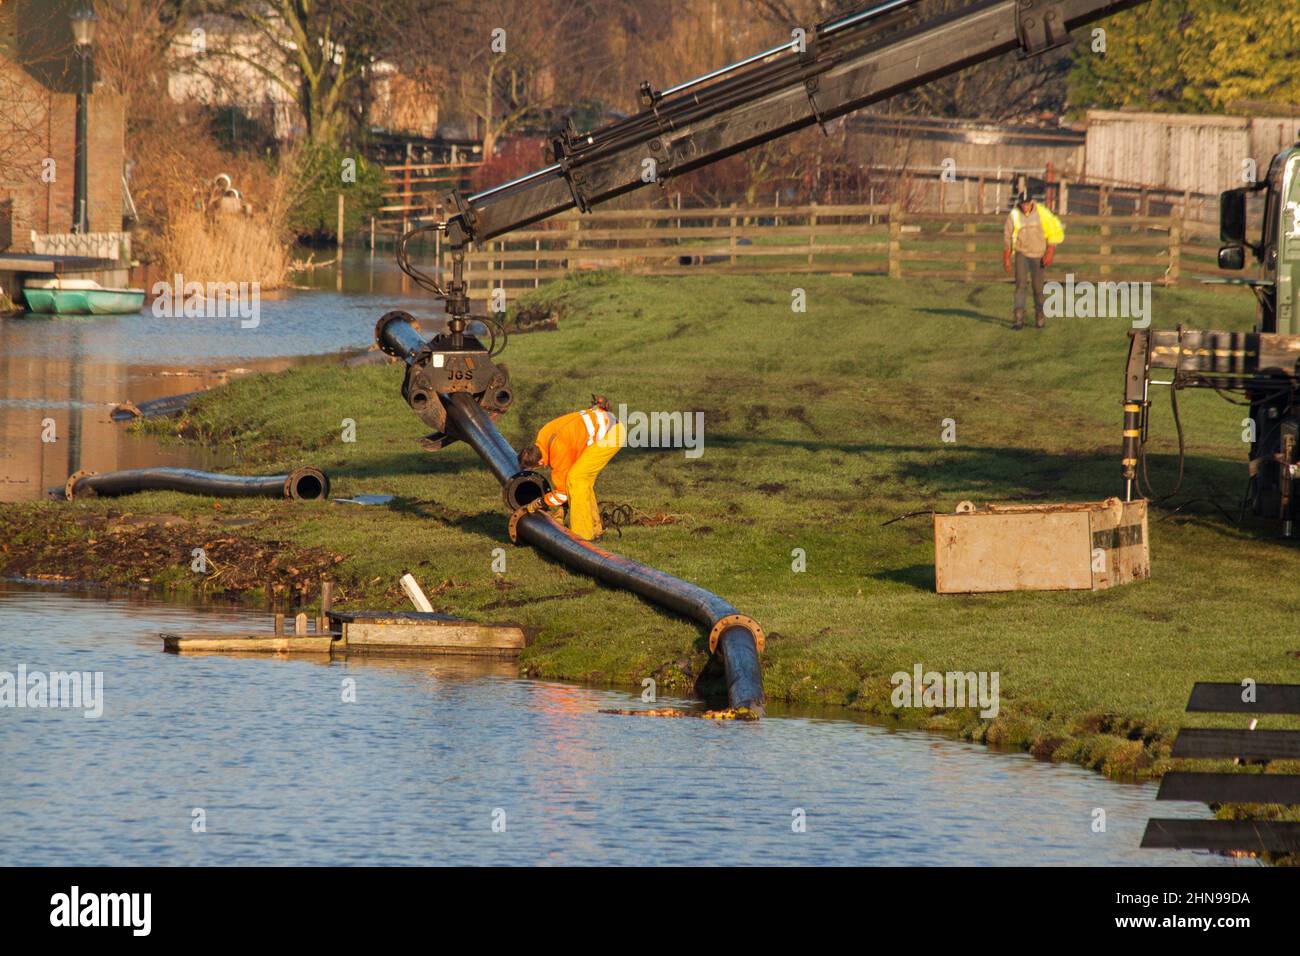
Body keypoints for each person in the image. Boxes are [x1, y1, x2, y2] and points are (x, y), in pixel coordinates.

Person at [517, 396, 625, 541]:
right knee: (581, 480)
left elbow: (563, 493)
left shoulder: (558, 451)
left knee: (576, 479)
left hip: (612, 434)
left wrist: (539, 503)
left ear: (540, 461)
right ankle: (595, 529)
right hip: (608, 424)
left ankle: (583, 537)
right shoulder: (543, 435)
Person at [1002, 189, 1064, 330]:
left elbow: (1053, 231)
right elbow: (1007, 236)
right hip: (1021, 253)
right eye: (1022, 204)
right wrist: (1006, 258)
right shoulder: (1014, 215)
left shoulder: (1042, 213)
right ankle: (1018, 318)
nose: (1025, 206)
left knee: (1038, 287)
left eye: (1027, 203)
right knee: (1020, 286)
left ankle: (1040, 315)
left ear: (1031, 202)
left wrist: (1050, 252)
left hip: (1038, 255)